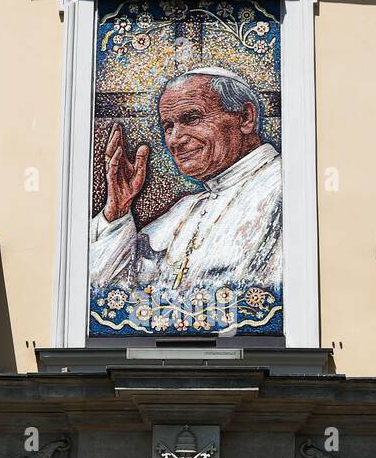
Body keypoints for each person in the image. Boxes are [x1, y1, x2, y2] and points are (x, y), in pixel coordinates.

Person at [89, 67, 282, 320]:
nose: (174, 140)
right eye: (168, 126)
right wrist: (118, 211)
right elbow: (104, 292)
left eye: (191, 118)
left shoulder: (285, 186)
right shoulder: (185, 209)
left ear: (245, 117)